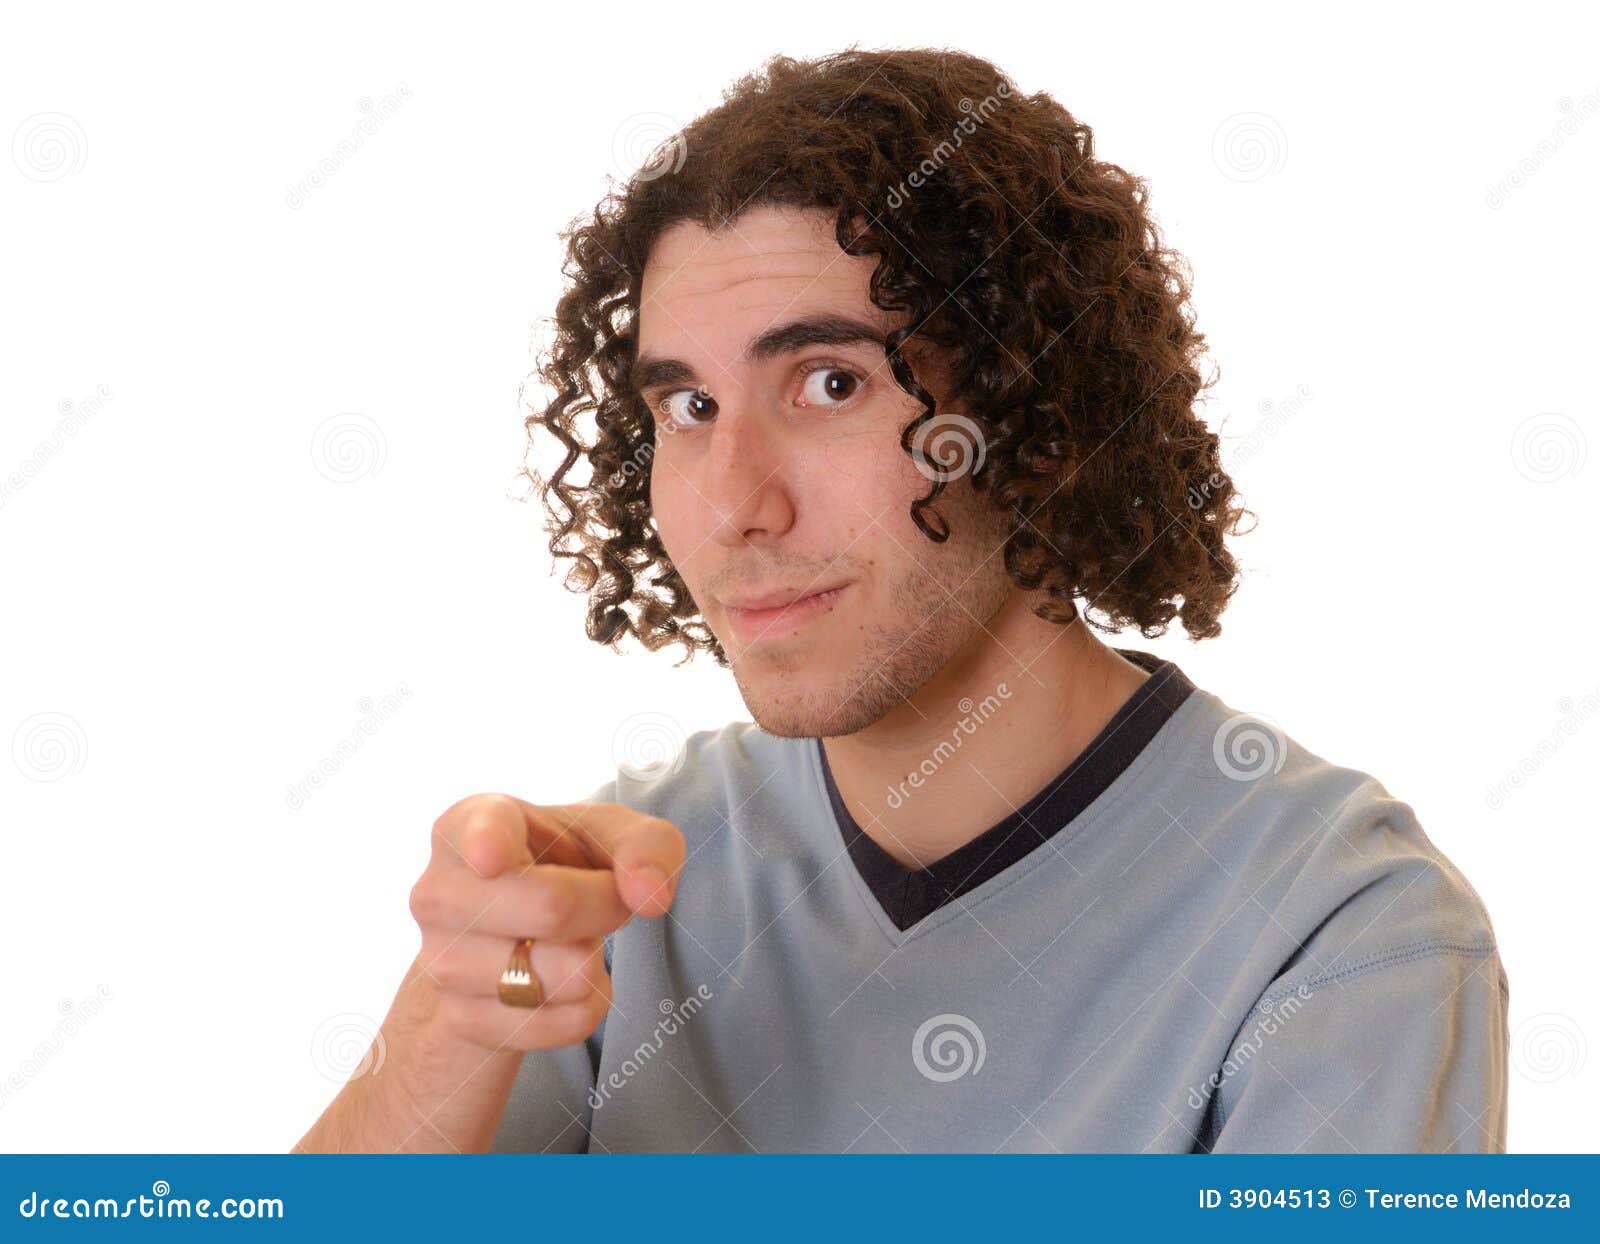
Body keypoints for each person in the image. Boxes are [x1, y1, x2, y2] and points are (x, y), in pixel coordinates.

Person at [296, 47, 1508, 1154]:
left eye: (828, 383)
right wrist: (440, 1039)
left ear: (1032, 419)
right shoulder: (622, 889)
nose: (733, 507)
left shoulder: (1340, 933)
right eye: (688, 406)